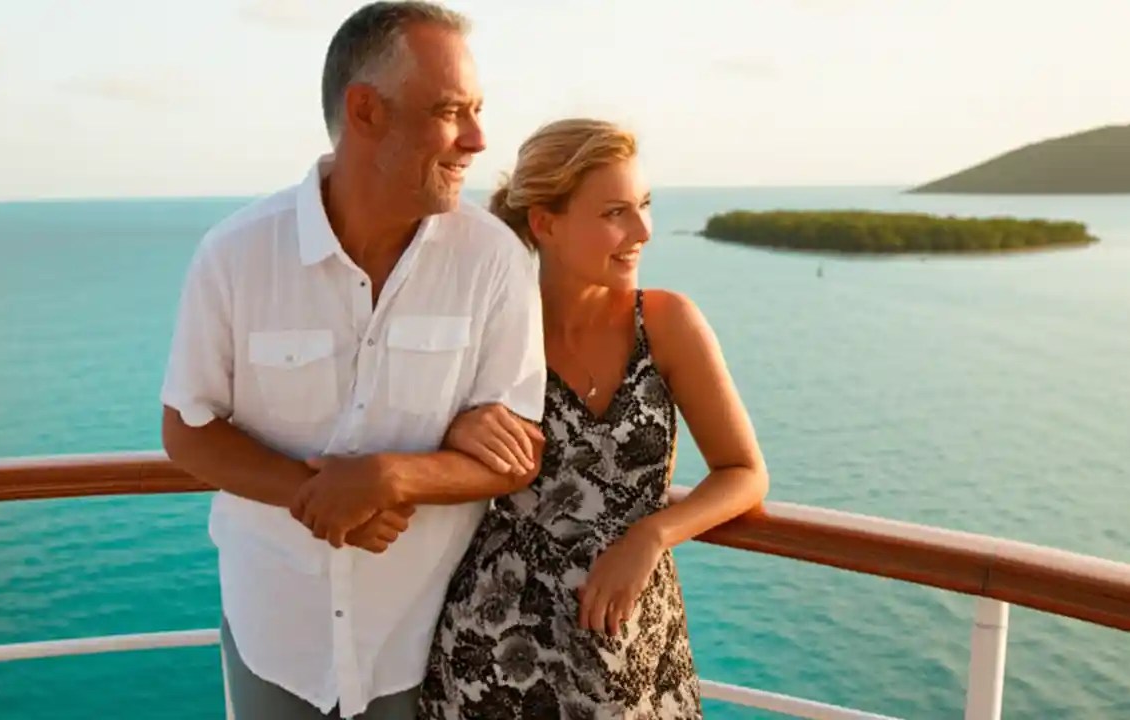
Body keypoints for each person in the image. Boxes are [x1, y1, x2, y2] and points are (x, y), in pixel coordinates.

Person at [158, 3, 547, 718]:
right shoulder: (237, 255)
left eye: (478, 110)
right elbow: (188, 429)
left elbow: (517, 454)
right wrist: (321, 500)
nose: (477, 138)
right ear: (366, 110)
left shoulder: (493, 260)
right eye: (451, 111)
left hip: (423, 642)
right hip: (275, 634)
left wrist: (387, 478)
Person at [417, 118, 770, 719]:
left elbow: (744, 473)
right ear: (545, 223)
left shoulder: (665, 324)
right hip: (497, 642)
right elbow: (412, 431)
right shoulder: (497, 331)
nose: (643, 231)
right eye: (615, 213)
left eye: (645, 206)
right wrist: (453, 429)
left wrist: (651, 536)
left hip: (630, 645)